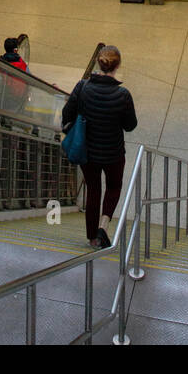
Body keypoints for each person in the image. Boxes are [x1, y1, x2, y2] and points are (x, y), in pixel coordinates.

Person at [61, 45, 137, 249]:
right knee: (114, 187)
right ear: (117, 65)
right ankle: (104, 225)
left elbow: (66, 115)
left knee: (93, 189)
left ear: (98, 63)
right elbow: (130, 126)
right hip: (113, 152)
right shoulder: (123, 95)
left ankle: (92, 237)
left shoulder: (81, 87)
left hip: (88, 152)